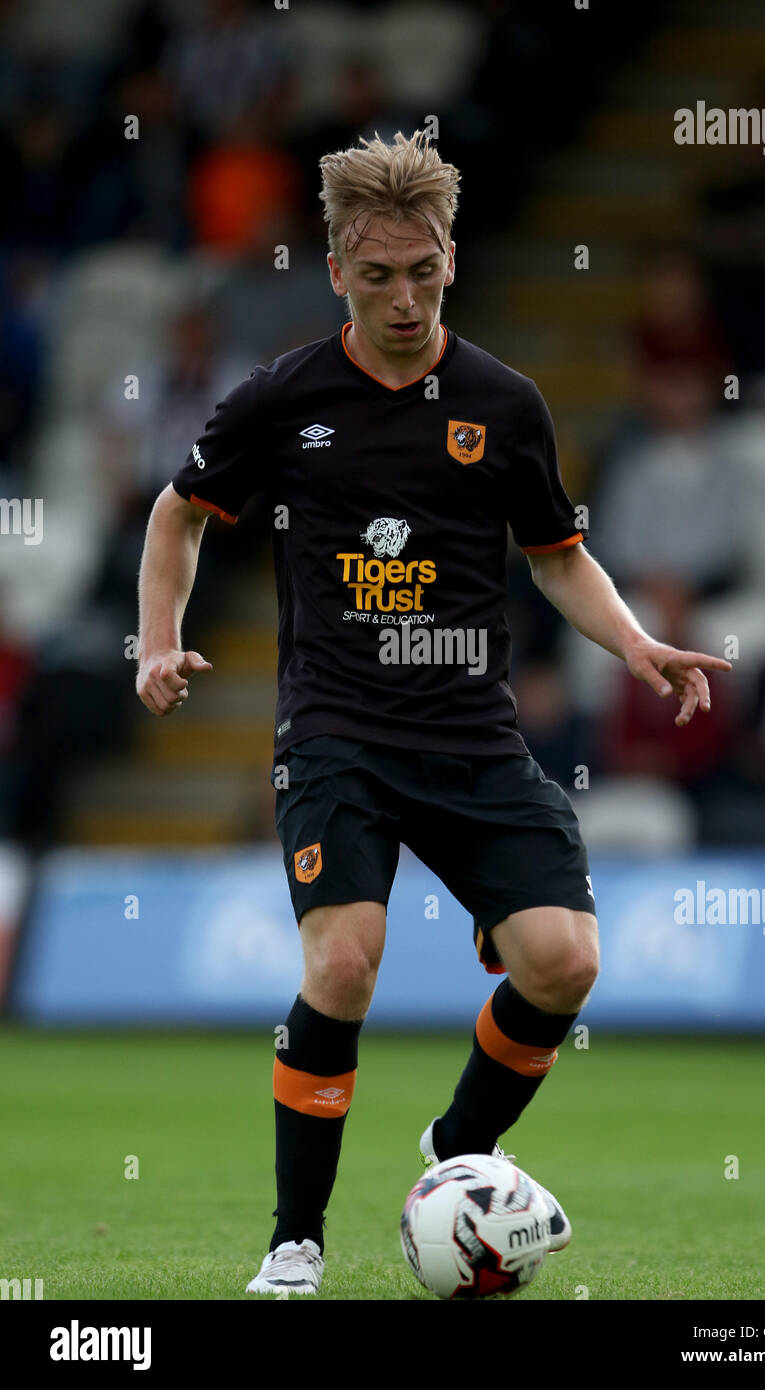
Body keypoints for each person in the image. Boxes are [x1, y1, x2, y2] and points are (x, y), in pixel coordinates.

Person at [135, 131, 731, 1295]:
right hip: (337, 731)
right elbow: (178, 511)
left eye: (422, 271)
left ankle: (458, 1146)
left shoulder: (504, 405)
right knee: (344, 963)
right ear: (335, 272)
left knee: (562, 964)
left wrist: (638, 643)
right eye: (376, 276)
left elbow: (558, 557)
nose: (401, 298)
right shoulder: (286, 399)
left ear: (450, 259)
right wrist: (156, 642)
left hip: (470, 736)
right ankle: (294, 1240)